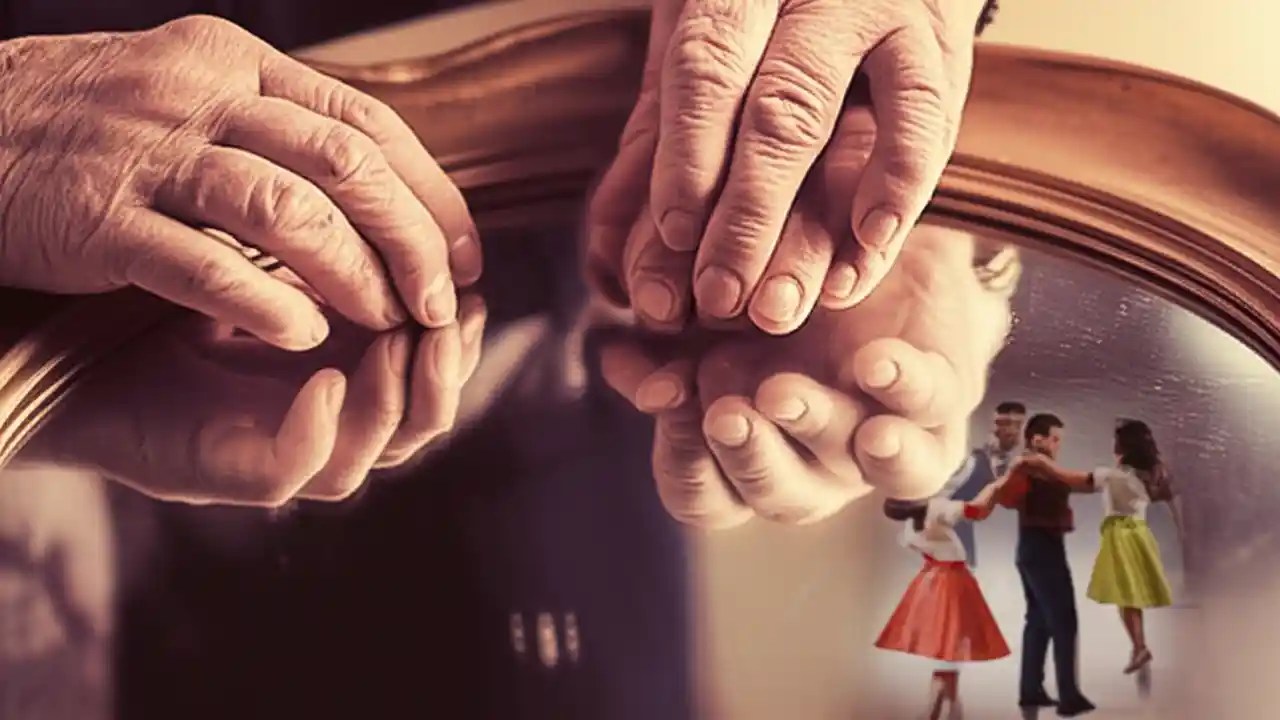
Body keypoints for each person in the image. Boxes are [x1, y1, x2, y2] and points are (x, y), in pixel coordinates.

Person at [1021, 419, 1184, 675]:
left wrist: (1041, 463)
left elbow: (1069, 479)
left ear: (1121, 449)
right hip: (1140, 533)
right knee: (1130, 596)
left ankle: (1139, 646)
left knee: (1126, 595)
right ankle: (1138, 646)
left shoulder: (1112, 476)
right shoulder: (1150, 476)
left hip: (1121, 537)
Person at [875, 471, 1014, 720]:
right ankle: (941, 699)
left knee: (944, 643)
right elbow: (977, 510)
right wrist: (996, 486)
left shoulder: (910, 529)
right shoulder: (936, 509)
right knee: (952, 641)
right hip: (952, 580)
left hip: (931, 580)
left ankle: (945, 699)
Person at [996, 413, 1096, 716]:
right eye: (1054, 439)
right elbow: (1073, 482)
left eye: (1058, 440)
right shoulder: (1032, 466)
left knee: (1038, 621)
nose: (1057, 445)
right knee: (1064, 621)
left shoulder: (1037, 467)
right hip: (1042, 548)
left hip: (1033, 547)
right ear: (1037, 439)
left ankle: (1031, 691)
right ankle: (1068, 697)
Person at [944, 400, 1027, 567]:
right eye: (1006, 424)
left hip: (968, 540)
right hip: (949, 542)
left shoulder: (1004, 465)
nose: (1014, 431)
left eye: (1018, 425)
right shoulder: (971, 461)